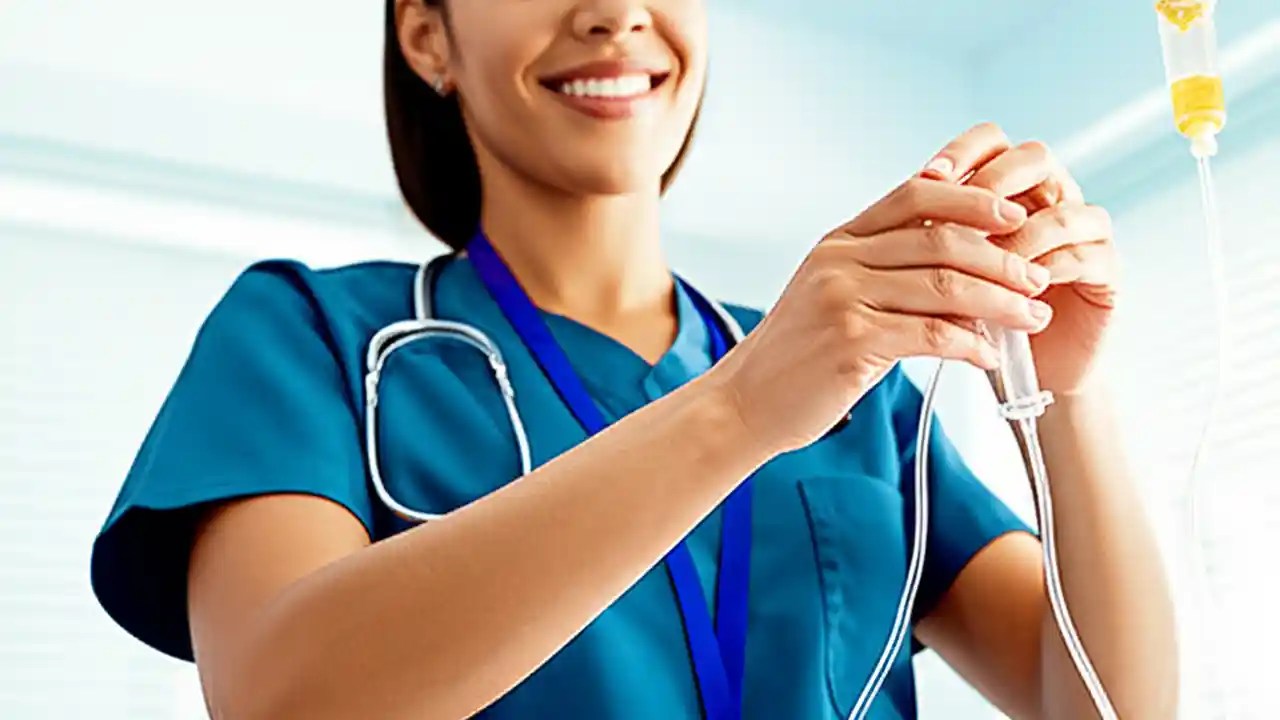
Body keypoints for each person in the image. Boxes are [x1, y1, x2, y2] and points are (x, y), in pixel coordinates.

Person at [89, 1, 1178, 718]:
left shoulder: (861, 393)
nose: (614, 12)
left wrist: (1063, 399)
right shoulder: (309, 335)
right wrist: (739, 410)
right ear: (427, 35)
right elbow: (281, 697)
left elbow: (1106, 704)